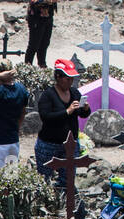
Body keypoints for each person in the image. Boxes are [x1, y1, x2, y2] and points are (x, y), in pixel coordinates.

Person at [34, 60, 90, 189]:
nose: (70, 82)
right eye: (67, 78)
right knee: (43, 178)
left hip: (70, 144)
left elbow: (81, 114)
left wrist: (85, 109)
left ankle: (65, 203)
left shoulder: (75, 93)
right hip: (49, 143)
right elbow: (46, 117)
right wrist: (67, 111)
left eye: (72, 79)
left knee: (67, 178)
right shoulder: (48, 95)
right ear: (58, 77)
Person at [25, 0, 57, 69]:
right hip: (36, 17)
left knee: (44, 43)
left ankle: (42, 65)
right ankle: (27, 68)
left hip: (48, 15)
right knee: (33, 45)